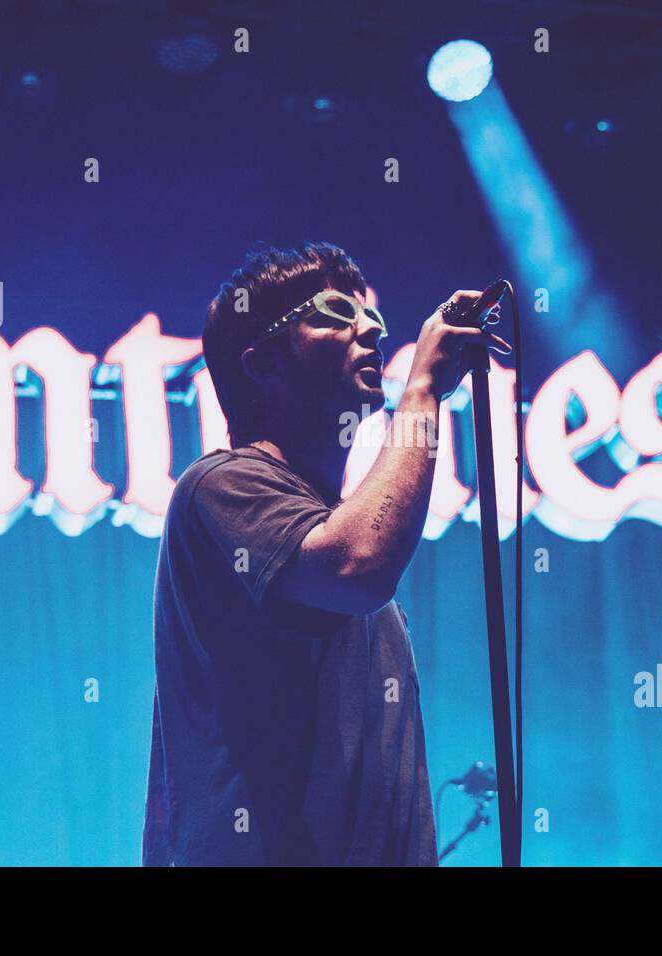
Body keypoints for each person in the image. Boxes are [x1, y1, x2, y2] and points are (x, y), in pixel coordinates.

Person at [142, 241, 508, 866]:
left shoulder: (338, 533)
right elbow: (358, 567)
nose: (371, 329)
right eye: (334, 312)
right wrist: (420, 392)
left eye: (374, 319)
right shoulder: (219, 487)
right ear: (262, 365)